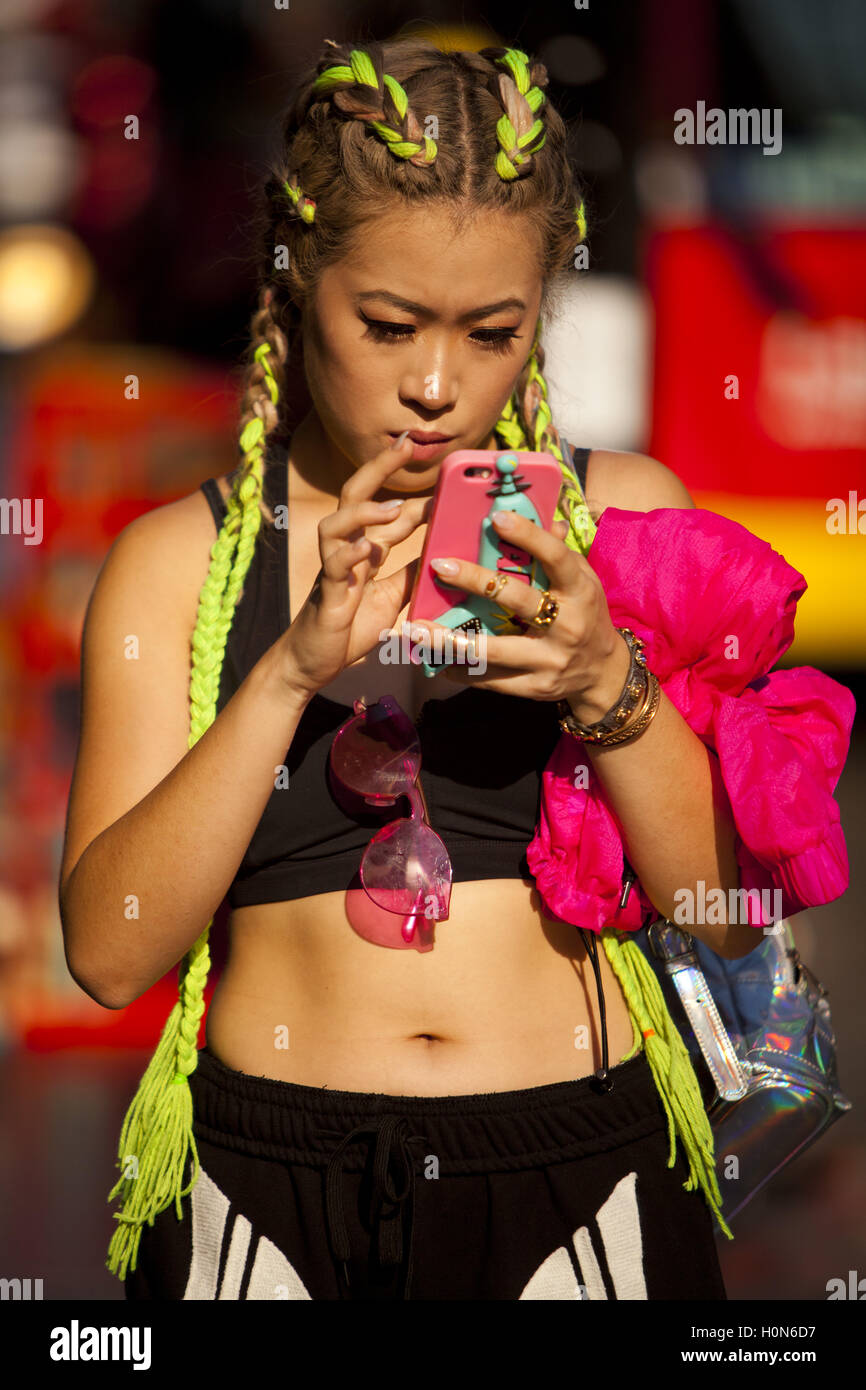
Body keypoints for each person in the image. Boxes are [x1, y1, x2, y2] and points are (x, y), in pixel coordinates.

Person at [58, 38, 852, 1301]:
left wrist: (609, 687)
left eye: (491, 333)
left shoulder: (625, 521)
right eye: (386, 326)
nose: (433, 386)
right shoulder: (183, 564)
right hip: (268, 1182)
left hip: (577, 1172)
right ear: (295, 280)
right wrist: (285, 672)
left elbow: (723, 914)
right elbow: (108, 953)